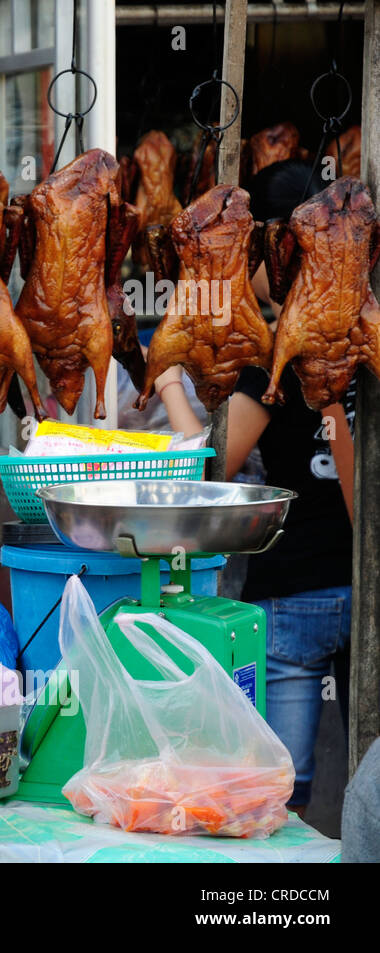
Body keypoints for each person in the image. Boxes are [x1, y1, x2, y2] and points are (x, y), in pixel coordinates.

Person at [149, 158, 353, 812]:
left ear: (272, 243)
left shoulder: (270, 343)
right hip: (362, 585)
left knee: (276, 796)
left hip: (293, 597)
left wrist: (168, 381)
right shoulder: (354, 324)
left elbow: (208, 467)